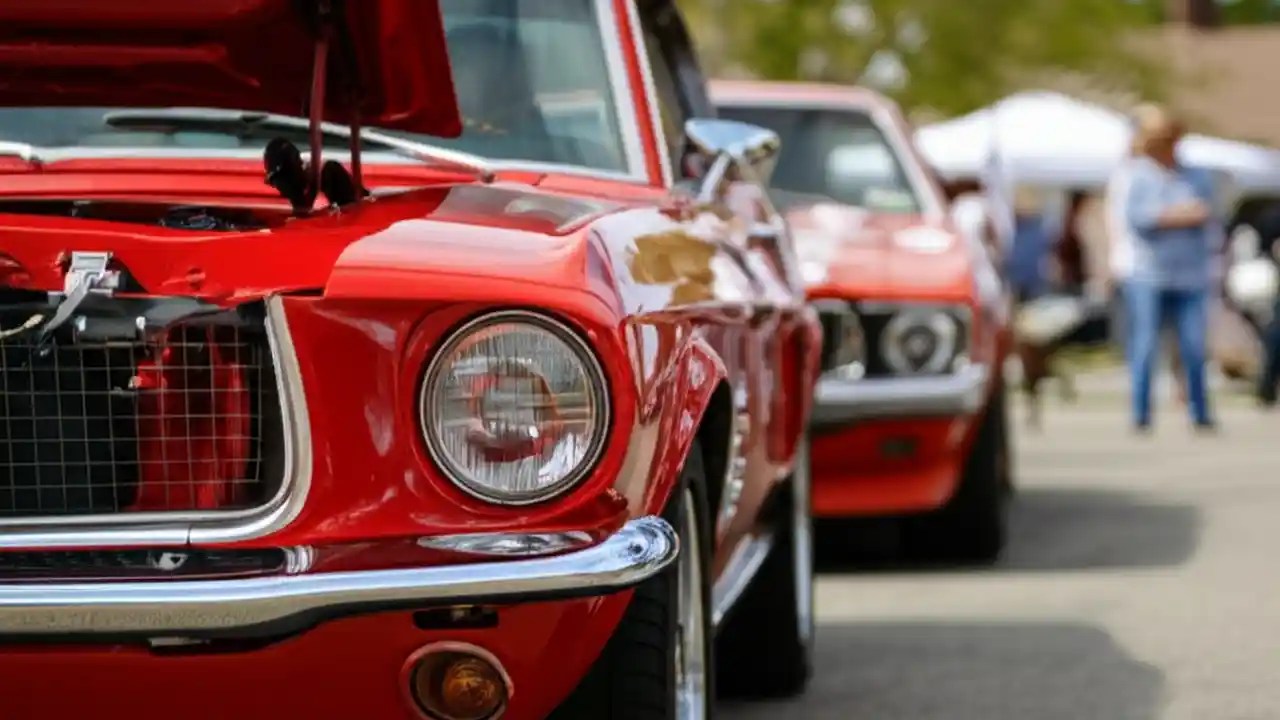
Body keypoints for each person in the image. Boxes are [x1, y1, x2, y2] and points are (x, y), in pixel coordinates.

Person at [1124, 105, 1218, 432]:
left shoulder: (1196, 175)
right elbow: (1140, 220)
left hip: (1190, 274)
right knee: (1146, 343)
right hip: (1149, 273)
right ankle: (1141, 412)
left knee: (1193, 345)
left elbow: (1205, 213)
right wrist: (1178, 215)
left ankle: (1200, 410)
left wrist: (1169, 216)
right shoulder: (1139, 175)